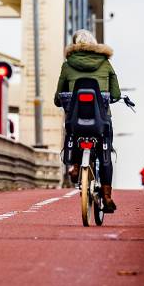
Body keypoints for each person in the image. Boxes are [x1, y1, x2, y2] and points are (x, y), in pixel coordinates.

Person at [54, 29, 122, 211]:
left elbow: (58, 96)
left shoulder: (67, 65)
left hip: (76, 121)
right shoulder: (105, 63)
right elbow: (116, 94)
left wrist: (61, 101)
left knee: (72, 132)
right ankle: (106, 196)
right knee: (105, 151)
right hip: (100, 121)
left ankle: (75, 166)